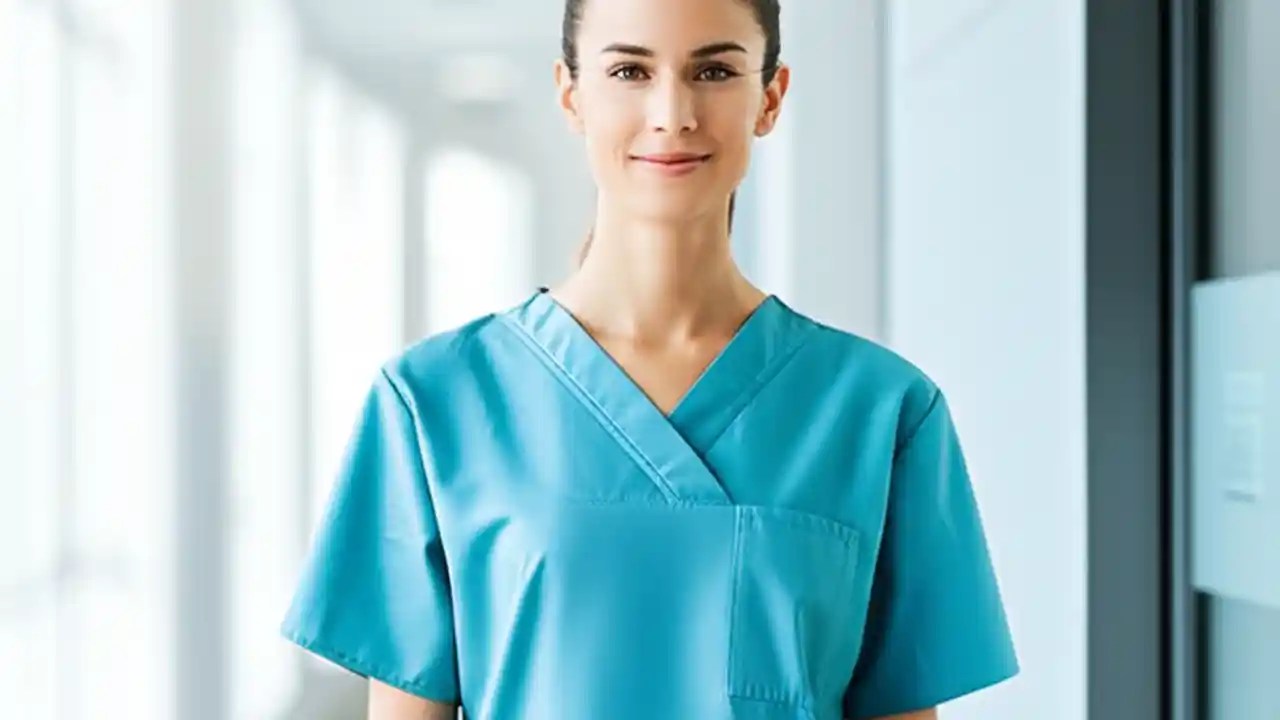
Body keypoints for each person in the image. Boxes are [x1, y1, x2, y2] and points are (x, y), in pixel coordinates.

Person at [279, 0, 1020, 717]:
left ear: (771, 96)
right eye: (630, 72)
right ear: (572, 96)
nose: (672, 114)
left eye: (715, 71)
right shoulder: (432, 404)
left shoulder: (879, 411)